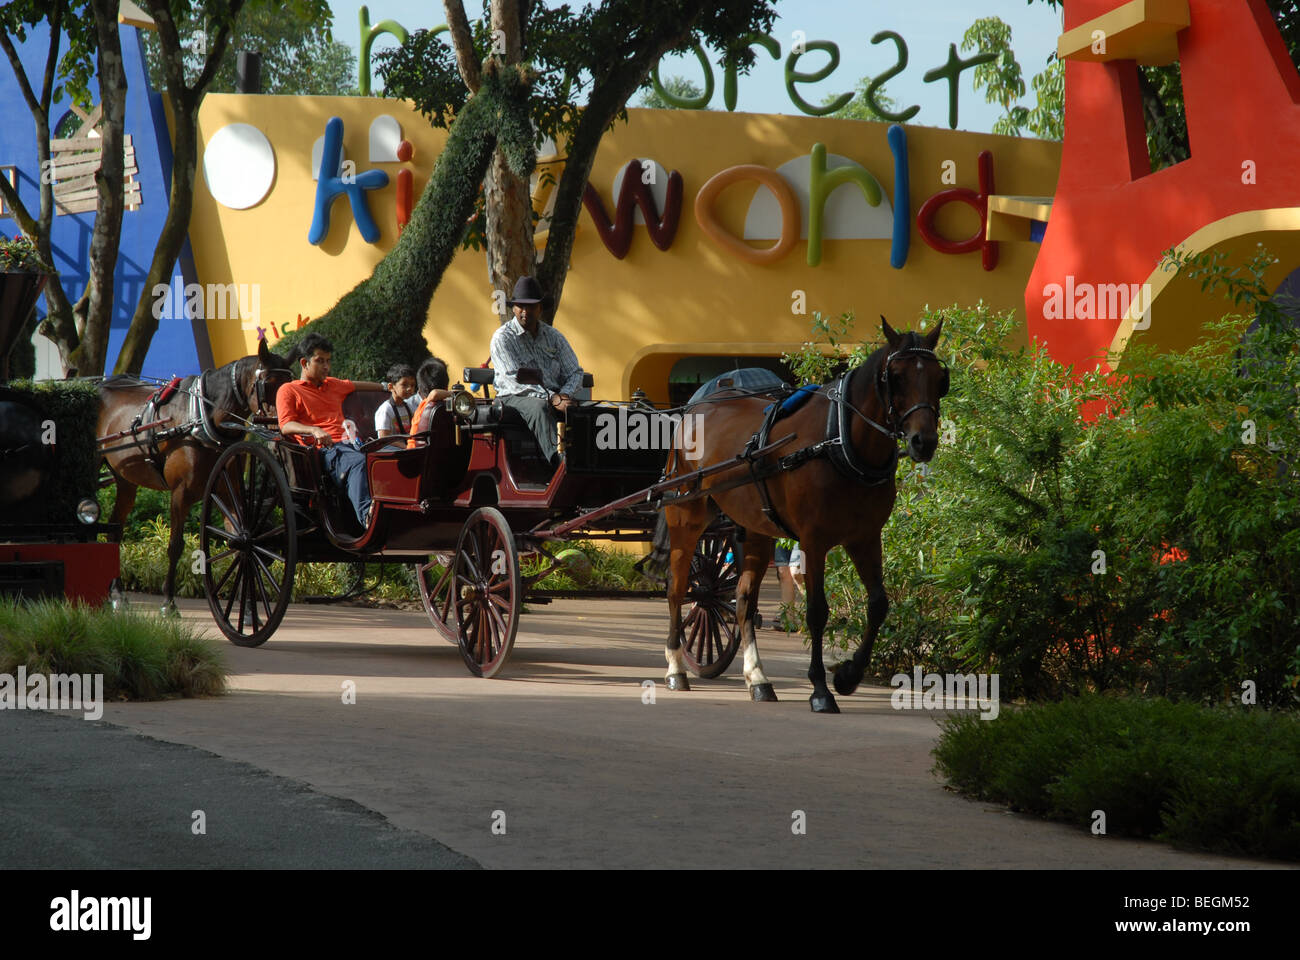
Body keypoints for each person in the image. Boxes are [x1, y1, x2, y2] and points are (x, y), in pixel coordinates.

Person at [276, 332, 389, 528]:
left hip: (353, 444)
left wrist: (387, 387)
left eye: (328, 361)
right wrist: (314, 430)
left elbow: (357, 385)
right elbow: (285, 425)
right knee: (358, 463)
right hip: (325, 450)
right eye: (320, 361)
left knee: (392, 455)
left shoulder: (333, 384)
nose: (326, 367)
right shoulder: (289, 390)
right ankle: (367, 518)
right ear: (304, 363)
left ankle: (397, 512)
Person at [488, 275, 584, 464]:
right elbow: (514, 380)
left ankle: (592, 460)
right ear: (513, 308)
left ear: (540, 308)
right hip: (514, 396)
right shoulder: (502, 338)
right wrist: (552, 398)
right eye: (521, 306)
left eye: (531, 306)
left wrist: (564, 395)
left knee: (587, 412)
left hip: (555, 395)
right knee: (539, 407)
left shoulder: (554, 336)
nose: (525, 311)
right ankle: (559, 464)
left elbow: (575, 372)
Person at [407, 356, 454, 448]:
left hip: (417, 455)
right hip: (415, 454)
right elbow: (435, 393)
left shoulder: (426, 405)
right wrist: (455, 394)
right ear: (446, 387)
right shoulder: (427, 403)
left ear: (420, 390)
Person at [375, 363, 418, 438]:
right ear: (391, 387)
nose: (409, 388)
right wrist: (405, 447)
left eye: (412, 385)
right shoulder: (385, 410)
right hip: (393, 448)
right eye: (404, 384)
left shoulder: (411, 407)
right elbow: (383, 438)